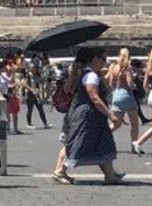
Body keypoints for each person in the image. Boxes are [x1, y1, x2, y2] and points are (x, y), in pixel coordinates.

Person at [52, 45, 125, 185]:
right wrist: (111, 114)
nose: (105, 61)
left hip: (90, 115)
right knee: (78, 143)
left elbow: (69, 90)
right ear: (94, 59)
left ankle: (110, 175)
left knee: (102, 143)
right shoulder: (90, 75)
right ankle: (60, 171)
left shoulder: (83, 73)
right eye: (103, 58)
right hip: (87, 115)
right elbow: (94, 97)